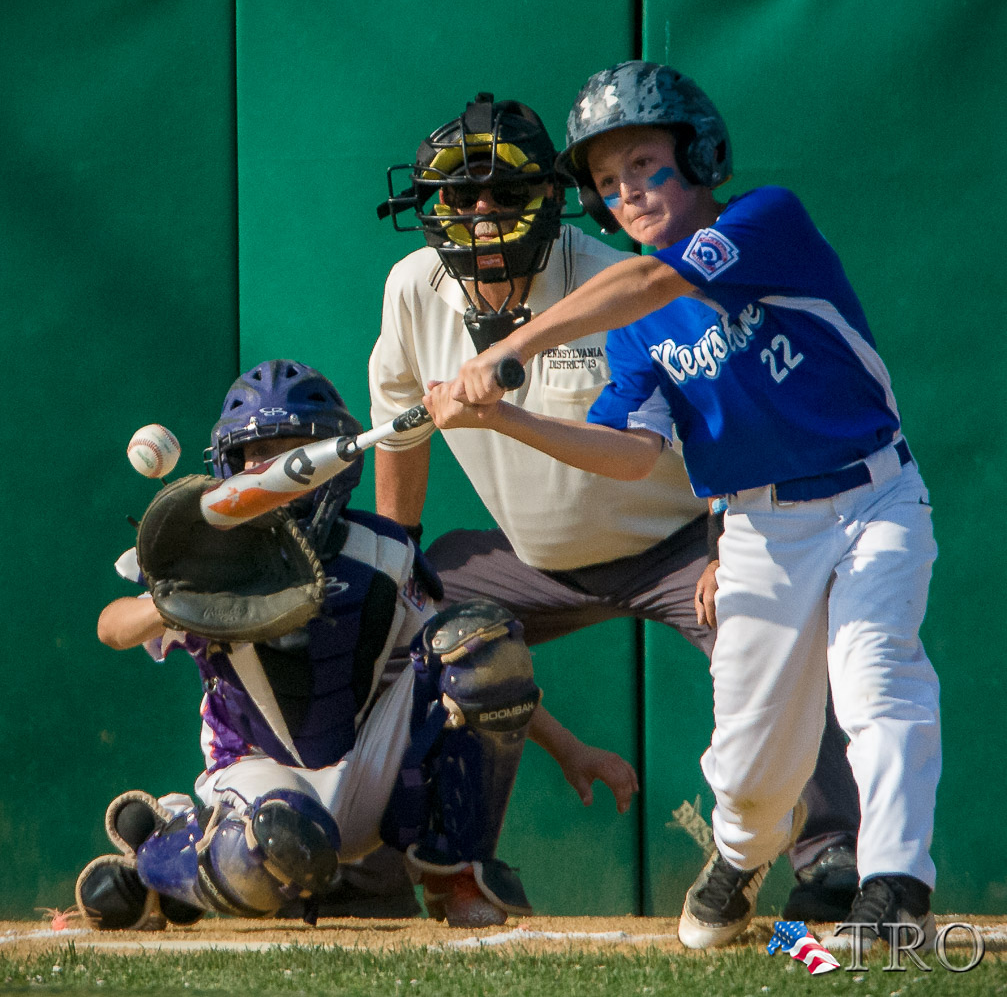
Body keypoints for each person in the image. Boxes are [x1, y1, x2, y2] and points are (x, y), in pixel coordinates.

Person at [446, 62, 941, 950]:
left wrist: (512, 346)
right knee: (751, 756)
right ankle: (739, 853)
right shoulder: (630, 328)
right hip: (759, 526)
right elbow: (631, 456)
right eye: (606, 182)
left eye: (644, 164)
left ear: (697, 153)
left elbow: (655, 284)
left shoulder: (762, 222)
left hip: (876, 498)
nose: (627, 191)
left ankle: (895, 883)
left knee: (876, 676)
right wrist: (505, 416)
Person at [370, 93, 863, 921]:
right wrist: (397, 555)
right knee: (391, 624)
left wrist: (725, 541)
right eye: (461, 196)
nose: (481, 214)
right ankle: (439, 865)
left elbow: (719, 415)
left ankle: (829, 859)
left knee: (772, 631)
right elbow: (399, 434)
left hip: (678, 542)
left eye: (503, 193)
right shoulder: (414, 287)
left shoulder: (622, 283)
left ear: (552, 200)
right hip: (530, 557)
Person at [76, 359, 610, 931]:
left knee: (478, 633)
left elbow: (469, 662)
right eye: (257, 455)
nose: (273, 468)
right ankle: (166, 852)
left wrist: (570, 749)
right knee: (283, 847)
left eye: (292, 448)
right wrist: (171, 603)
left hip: (364, 769)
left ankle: (455, 874)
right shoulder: (201, 553)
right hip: (257, 771)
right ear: (229, 466)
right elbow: (111, 626)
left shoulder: (380, 550)